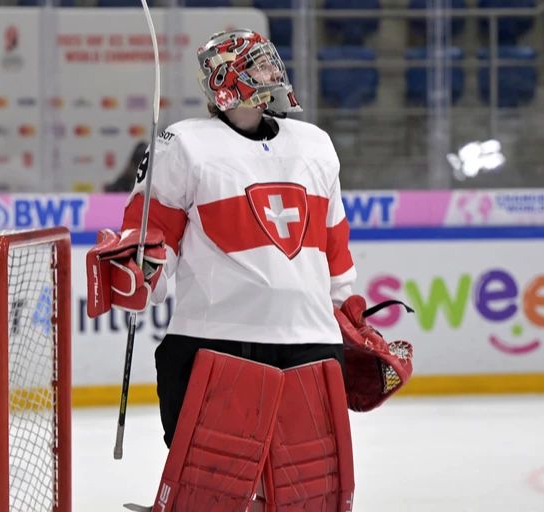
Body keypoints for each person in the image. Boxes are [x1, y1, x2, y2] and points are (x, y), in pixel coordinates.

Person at [87, 29, 365, 510]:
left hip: (310, 339)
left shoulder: (315, 144)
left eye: (268, 61)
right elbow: (153, 234)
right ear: (225, 78)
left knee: (309, 495)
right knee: (212, 491)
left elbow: (332, 238)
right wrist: (142, 269)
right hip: (218, 338)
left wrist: (346, 304)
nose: (271, 71)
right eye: (257, 64)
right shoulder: (183, 144)